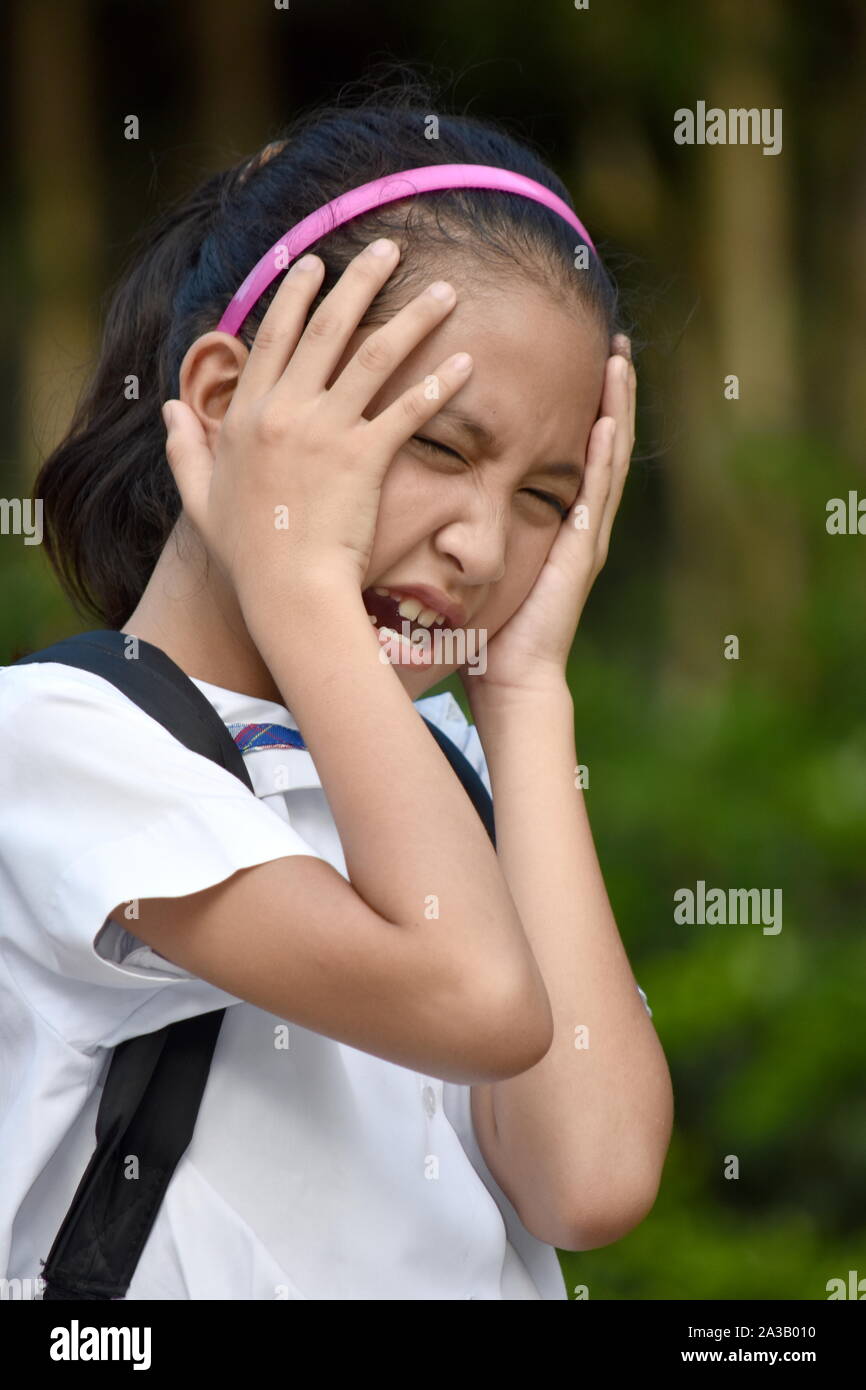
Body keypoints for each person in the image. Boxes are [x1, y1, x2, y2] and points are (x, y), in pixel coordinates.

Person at [0, 73, 672, 1300]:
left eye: (543, 499)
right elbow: (472, 999)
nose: (481, 546)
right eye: (436, 445)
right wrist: (302, 577)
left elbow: (589, 1178)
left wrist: (524, 696)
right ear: (224, 404)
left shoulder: (447, 774)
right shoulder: (56, 748)